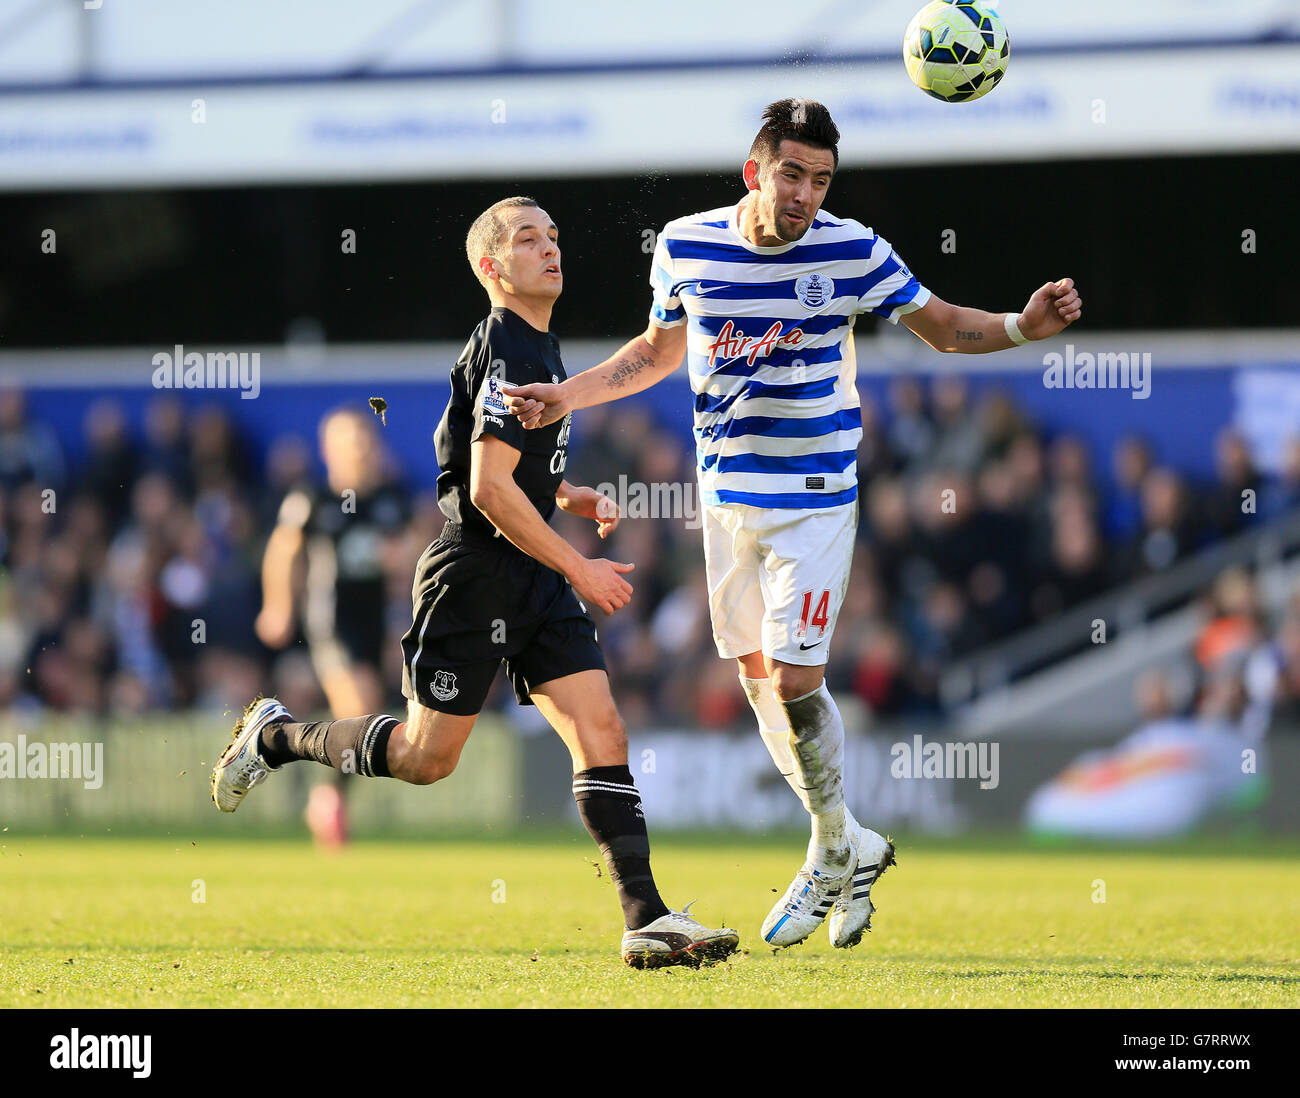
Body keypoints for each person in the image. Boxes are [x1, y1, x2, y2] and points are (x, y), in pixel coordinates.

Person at [503, 98, 1083, 949]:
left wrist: (1020, 328)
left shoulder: (852, 250)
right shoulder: (685, 244)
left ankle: (824, 850)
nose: (808, 192)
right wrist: (567, 394)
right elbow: (654, 354)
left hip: (814, 494)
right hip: (725, 500)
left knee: (797, 681)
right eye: (793, 173)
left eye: (822, 178)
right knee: (754, 677)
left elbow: (946, 330)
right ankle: (853, 843)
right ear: (755, 171)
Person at [212, 195, 738, 970]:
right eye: (528, 240)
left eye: (554, 237)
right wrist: (578, 563)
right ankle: (278, 735)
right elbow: (487, 492)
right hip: (477, 575)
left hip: (533, 572)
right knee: (428, 759)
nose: (551, 249)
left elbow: (497, 463)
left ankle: (645, 919)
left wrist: (567, 494)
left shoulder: (537, 345)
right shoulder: (507, 344)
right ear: (493, 266)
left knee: (604, 732)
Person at [255, 408, 409, 848]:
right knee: (360, 708)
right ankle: (326, 799)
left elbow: (410, 548)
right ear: (329, 451)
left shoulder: (390, 496)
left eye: (366, 440)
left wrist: (399, 564)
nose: (362, 449)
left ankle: (327, 796)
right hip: (333, 620)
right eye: (351, 442)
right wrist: (278, 606)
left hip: (377, 620)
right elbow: (283, 550)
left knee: (363, 715)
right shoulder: (312, 496)